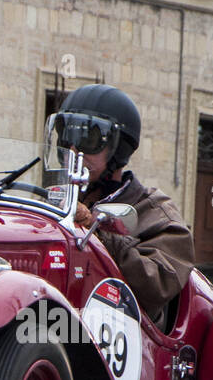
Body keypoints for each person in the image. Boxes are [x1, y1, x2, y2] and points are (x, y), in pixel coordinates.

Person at [54, 84, 196, 325]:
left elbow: (158, 284)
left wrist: (98, 233)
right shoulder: (54, 200)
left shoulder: (156, 213)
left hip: (123, 332)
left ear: (118, 148)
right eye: (67, 136)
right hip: (60, 323)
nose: (73, 149)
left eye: (88, 138)